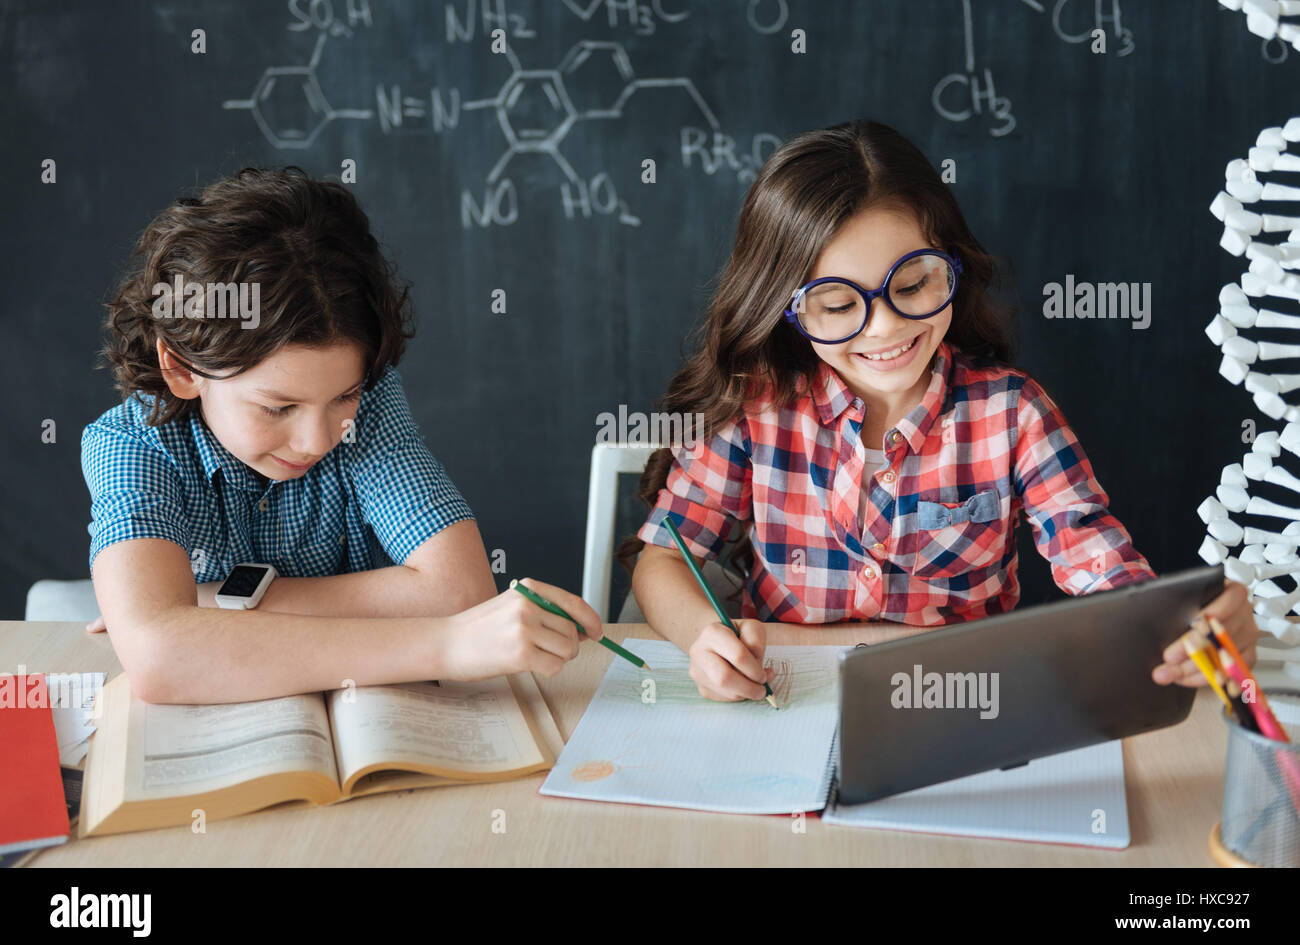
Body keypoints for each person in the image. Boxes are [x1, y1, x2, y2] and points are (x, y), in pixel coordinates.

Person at [626, 119, 1258, 702]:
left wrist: (1175, 620)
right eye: (838, 305)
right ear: (787, 310)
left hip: (958, 700)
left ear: (951, 266)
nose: (885, 327)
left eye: (912, 285)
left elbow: (1093, 558)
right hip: (782, 694)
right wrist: (706, 637)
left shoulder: (1013, 413)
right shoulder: (757, 407)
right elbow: (664, 557)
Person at [82, 166, 598, 704]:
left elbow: (461, 592)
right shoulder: (131, 444)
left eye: (344, 397)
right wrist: (444, 644)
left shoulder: (371, 405)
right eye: (277, 406)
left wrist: (207, 606)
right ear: (183, 369)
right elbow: (163, 660)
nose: (316, 439)